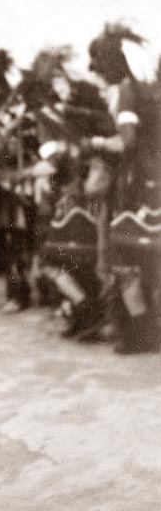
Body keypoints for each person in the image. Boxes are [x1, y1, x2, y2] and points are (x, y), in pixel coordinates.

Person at [86, 25, 161, 353]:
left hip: (136, 185)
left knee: (124, 257)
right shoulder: (140, 89)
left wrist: (96, 141)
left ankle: (139, 334)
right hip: (147, 182)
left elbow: (128, 141)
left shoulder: (128, 92)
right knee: (141, 258)